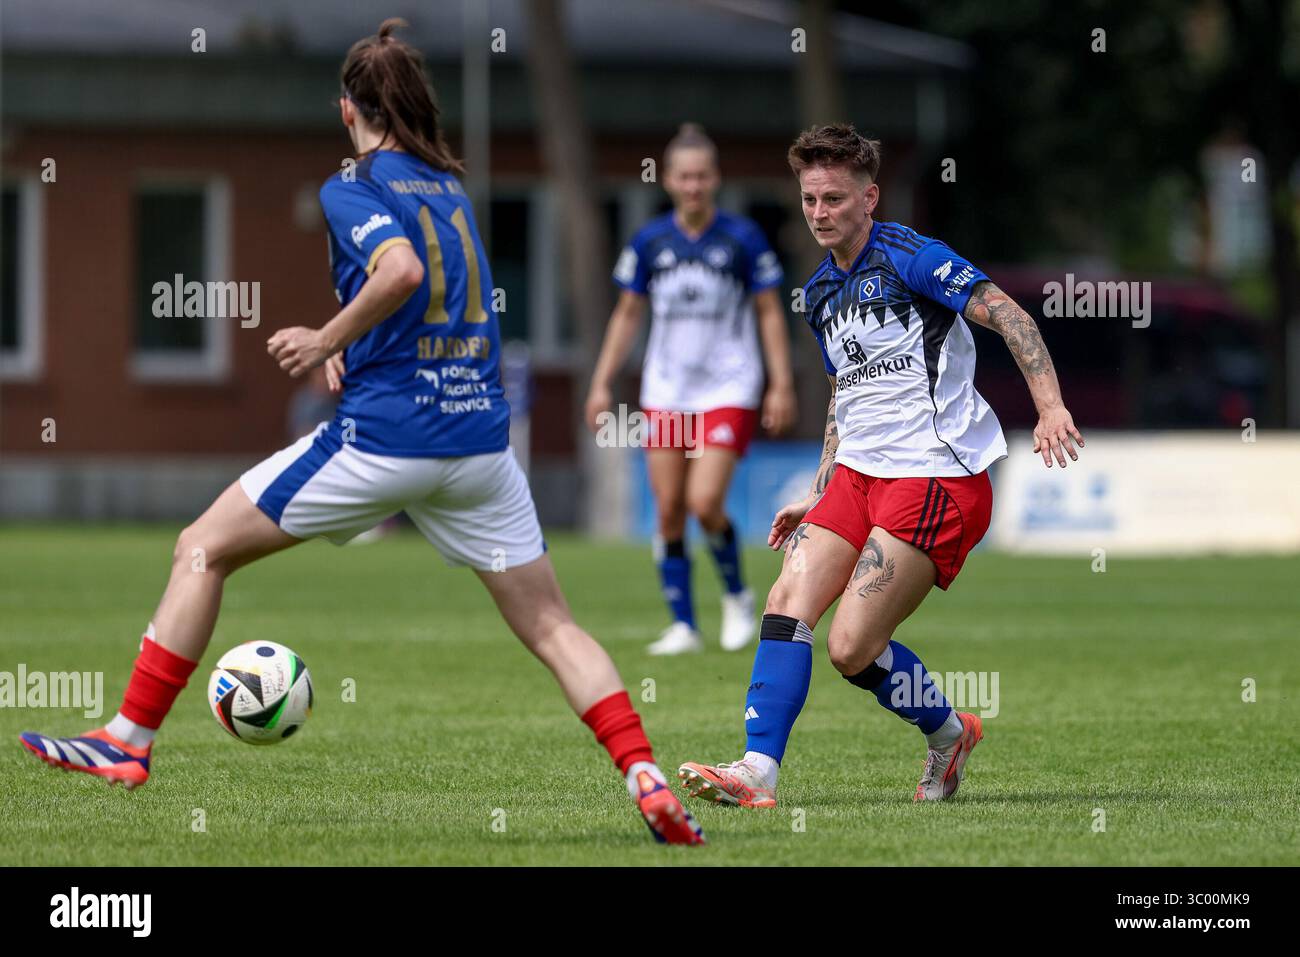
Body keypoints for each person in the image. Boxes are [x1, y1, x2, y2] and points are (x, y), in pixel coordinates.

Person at [19, 19, 703, 847]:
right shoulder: (449, 190)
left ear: (347, 111)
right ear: (416, 107)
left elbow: (402, 273)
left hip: (387, 442)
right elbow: (436, 296)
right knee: (555, 625)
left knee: (201, 547)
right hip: (480, 447)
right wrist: (364, 345)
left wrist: (326, 341)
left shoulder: (352, 186)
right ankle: (644, 773)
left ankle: (126, 742)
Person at [677, 124, 1084, 806]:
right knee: (786, 600)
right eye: (809, 199)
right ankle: (756, 770)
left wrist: (1049, 406)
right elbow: (846, 395)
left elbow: (1010, 316)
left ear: (869, 197)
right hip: (858, 477)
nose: (819, 213)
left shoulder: (912, 258)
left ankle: (950, 734)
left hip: (937, 476)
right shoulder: (818, 294)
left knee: (850, 647)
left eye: (834, 198)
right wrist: (819, 490)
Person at [585, 123, 796, 656]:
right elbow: (627, 314)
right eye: (685, 176)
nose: (694, 185)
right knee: (669, 508)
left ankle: (737, 595)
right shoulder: (650, 241)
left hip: (730, 386)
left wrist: (781, 383)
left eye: (703, 176)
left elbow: (771, 312)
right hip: (667, 391)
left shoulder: (743, 239)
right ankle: (683, 624)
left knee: (705, 502)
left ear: (716, 179)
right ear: (670, 180)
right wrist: (601, 382)